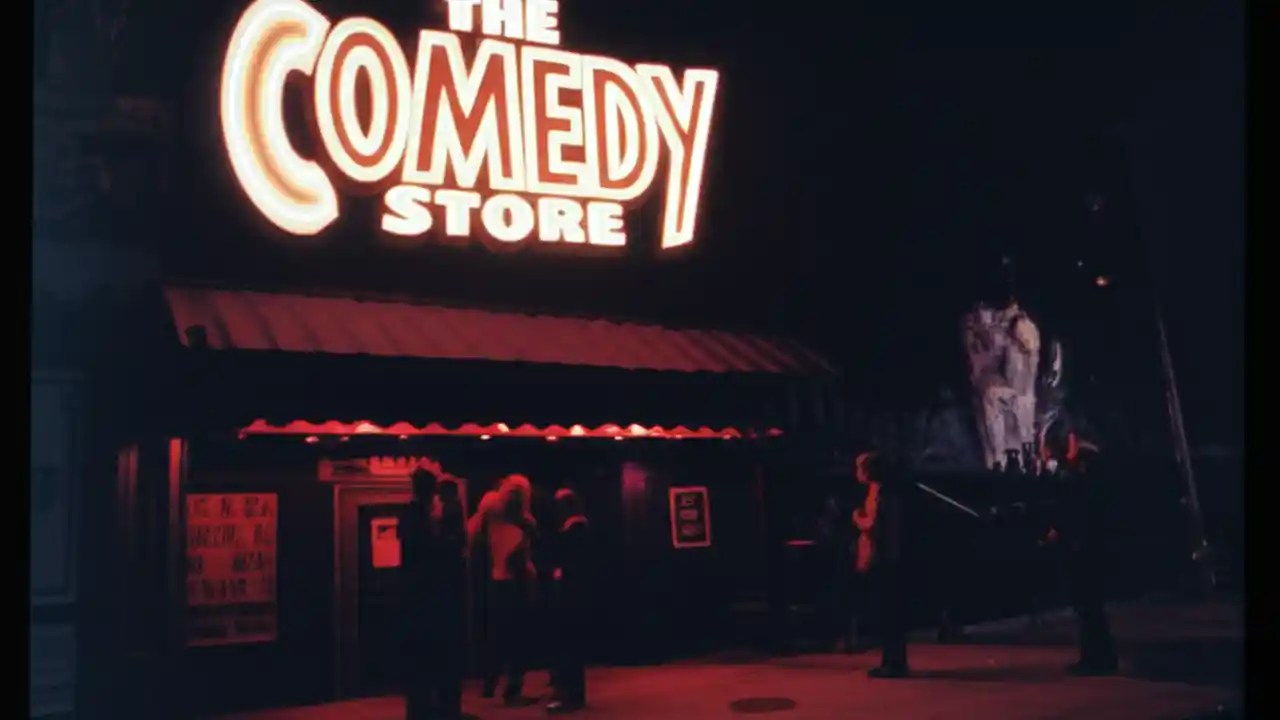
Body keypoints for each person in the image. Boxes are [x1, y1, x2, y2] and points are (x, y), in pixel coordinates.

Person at [1044, 433, 1119, 675]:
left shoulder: (1083, 476)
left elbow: (1076, 509)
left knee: (1088, 606)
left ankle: (1097, 659)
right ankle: (1098, 657)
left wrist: (1063, 532)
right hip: (1087, 547)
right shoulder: (1088, 477)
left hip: (1084, 548)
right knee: (1089, 607)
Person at [468, 474, 538, 705]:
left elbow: (475, 535)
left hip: (498, 580)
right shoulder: (523, 520)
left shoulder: (491, 511)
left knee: (499, 636)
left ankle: (491, 682)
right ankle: (511, 688)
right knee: (518, 637)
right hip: (516, 580)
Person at [853, 451, 909, 678]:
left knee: (888, 611)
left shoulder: (881, 493)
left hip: (883, 557)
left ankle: (893, 662)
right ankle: (891, 660)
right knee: (888, 611)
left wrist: (858, 518)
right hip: (885, 555)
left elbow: (875, 525)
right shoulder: (881, 492)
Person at [400, 465, 441, 719]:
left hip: (415, 595)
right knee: (422, 656)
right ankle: (421, 710)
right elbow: (424, 555)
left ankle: (420, 708)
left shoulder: (412, 515)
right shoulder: (418, 517)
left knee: (419, 658)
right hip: (421, 596)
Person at [546, 488, 591, 713]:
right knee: (572, 645)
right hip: (574, 594)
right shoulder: (578, 528)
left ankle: (569, 695)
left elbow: (570, 562)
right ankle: (573, 693)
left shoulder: (574, 530)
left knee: (568, 644)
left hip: (570, 594)